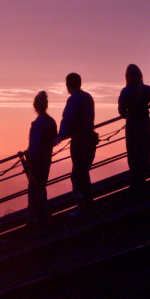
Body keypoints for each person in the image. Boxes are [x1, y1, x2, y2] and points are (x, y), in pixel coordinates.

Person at [53, 72, 97, 214]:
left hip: (79, 142)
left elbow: (67, 119)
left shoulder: (73, 100)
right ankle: (86, 205)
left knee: (78, 175)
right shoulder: (88, 97)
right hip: (91, 140)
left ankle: (84, 207)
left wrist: (60, 135)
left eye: (66, 83)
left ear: (69, 84)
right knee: (83, 174)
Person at [118, 65, 150, 187]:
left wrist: (127, 113)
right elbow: (148, 100)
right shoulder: (147, 89)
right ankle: (144, 178)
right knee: (145, 149)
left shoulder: (125, 91)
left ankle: (135, 180)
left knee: (133, 152)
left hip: (132, 124)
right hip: (145, 122)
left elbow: (121, 110)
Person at [25, 91, 57, 225]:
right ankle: (42, 216)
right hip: (46, 159)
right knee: (41, 186)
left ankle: (36, 218)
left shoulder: (36, 124)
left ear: (35, 106)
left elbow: (34, 145)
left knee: (34, 190)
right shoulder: (51, 122)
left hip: (36, 161)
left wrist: (28, 157)